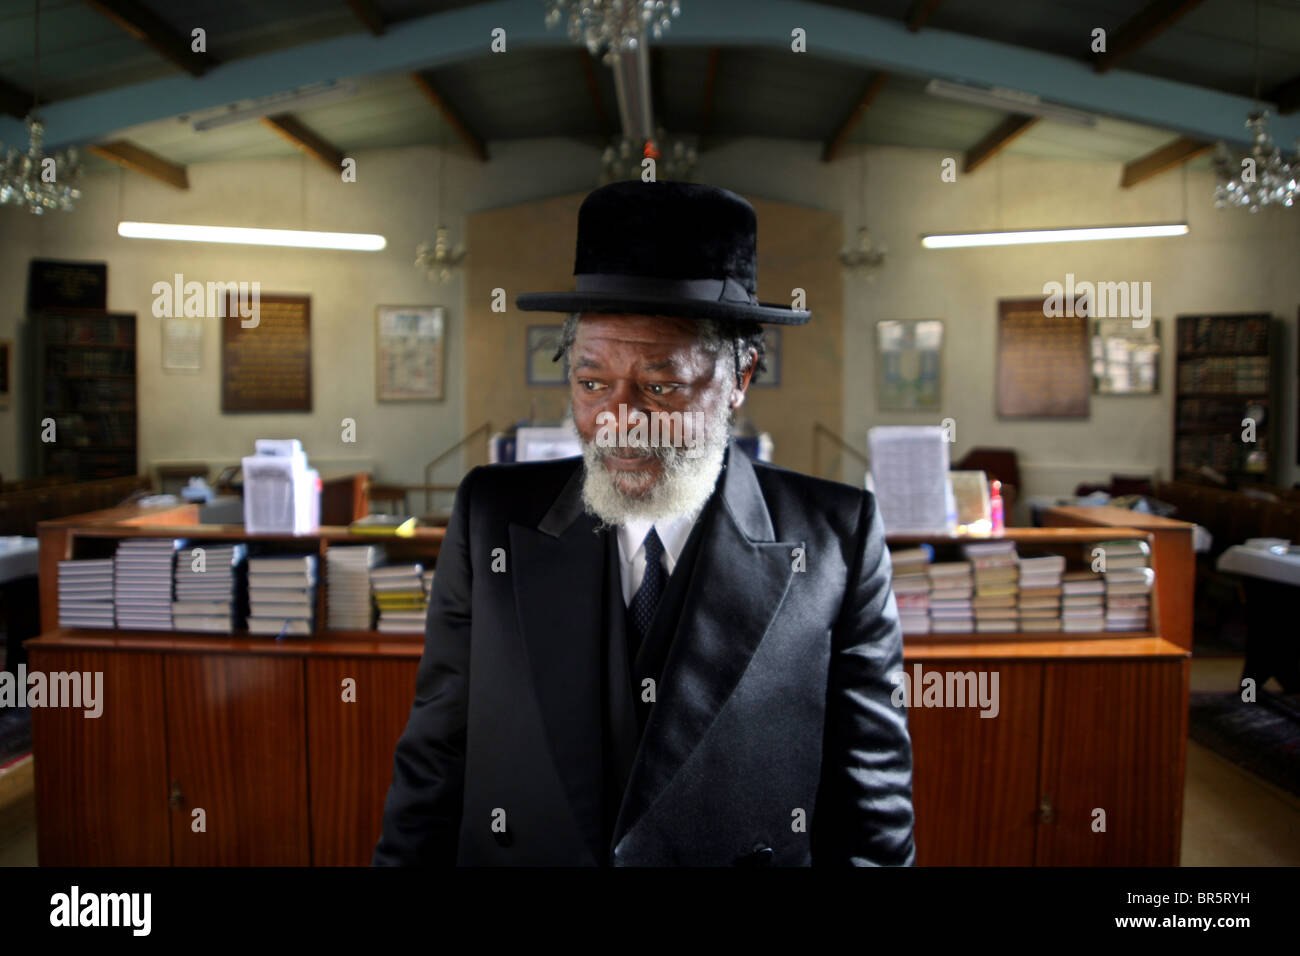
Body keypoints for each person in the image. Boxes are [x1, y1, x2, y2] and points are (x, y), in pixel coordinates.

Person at [373, 180, 914, 866]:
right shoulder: (490, 516)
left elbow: (871, 808)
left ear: (741, 375)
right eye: (592, 383)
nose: (620, 420)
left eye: (661, 386)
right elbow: (434, 762)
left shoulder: (837, 537)